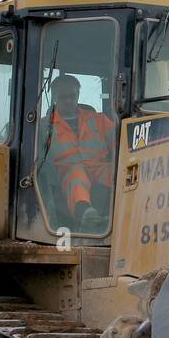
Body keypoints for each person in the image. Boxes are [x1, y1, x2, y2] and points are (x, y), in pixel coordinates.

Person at [48, 74, 115, 232]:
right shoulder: (45, 126)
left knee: (118, 175)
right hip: (67, 171)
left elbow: (120, 142)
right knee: (76, 177)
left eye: (72, 96)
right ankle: (86, 214)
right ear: (54, 98)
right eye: (63, 97)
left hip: (99, 167)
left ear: (78, 94)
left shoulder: (98, 119)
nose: (68, 100)